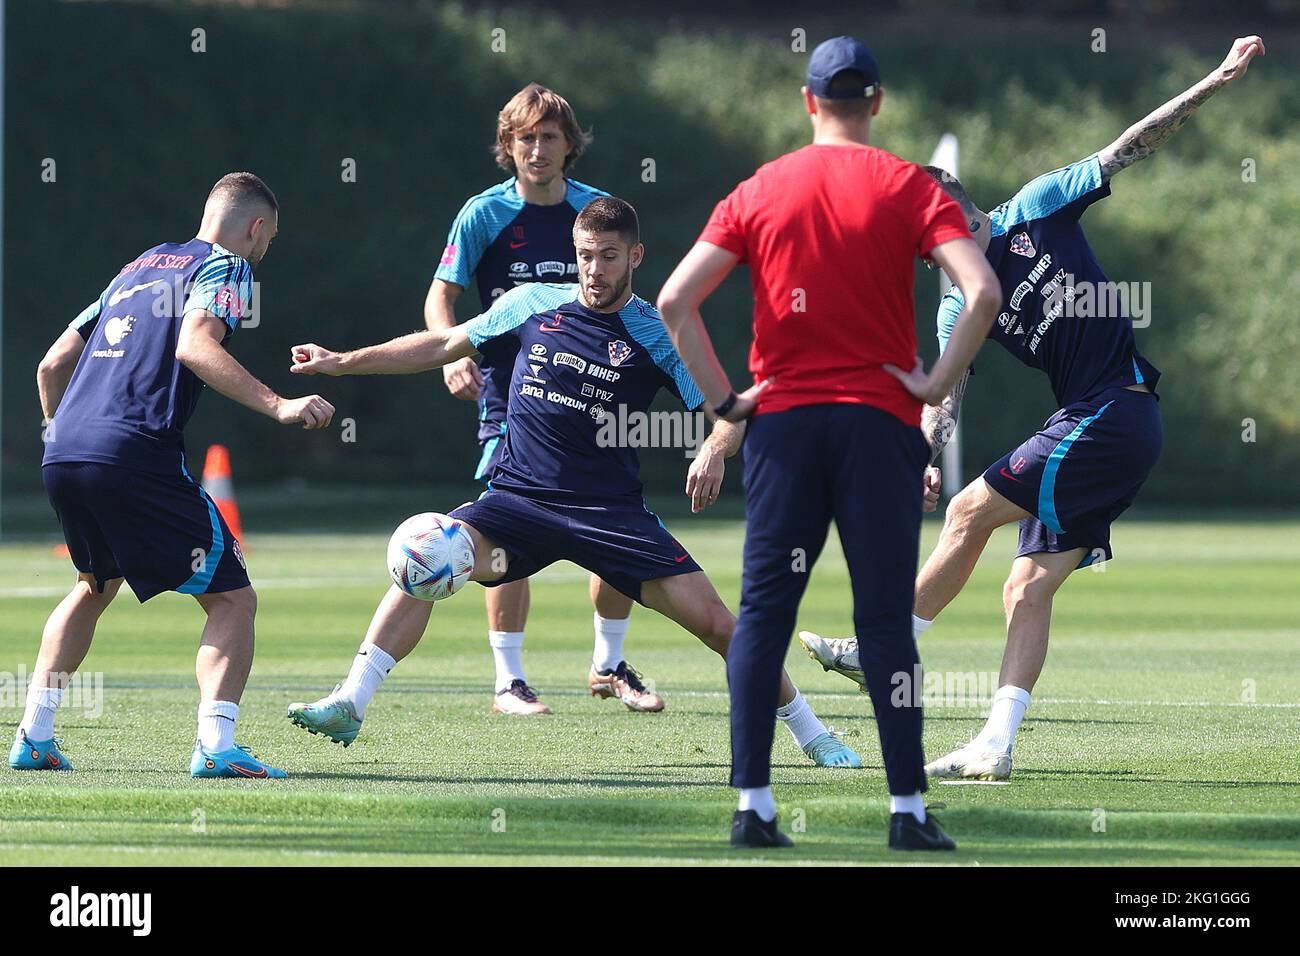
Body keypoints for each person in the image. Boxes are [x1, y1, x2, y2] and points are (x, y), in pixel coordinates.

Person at [799, 36, 1266, 782]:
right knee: (1027, 585)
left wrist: (1213, 78)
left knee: (968, 513)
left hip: (1114, 410)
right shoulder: (958, 305)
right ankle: (996, 744)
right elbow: (944, 398)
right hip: (1103, 424)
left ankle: (882, 647)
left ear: (953, 200)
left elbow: (1129, 146)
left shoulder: (1036, 209)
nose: (925, 253)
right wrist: (922, 455)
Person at [286, 197, 862, 771]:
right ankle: (351, 701)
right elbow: (441, 344)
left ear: (635, 256)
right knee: (428, 553)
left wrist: (712, 452)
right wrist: (342, 362)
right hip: (516, 505)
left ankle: (814, 735)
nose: (594, 270)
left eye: (609, 257)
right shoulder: (530, 304)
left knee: (719, 625)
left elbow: (729, 414)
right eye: (585, 256)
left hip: (609, 515)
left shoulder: (660, 332)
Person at [657, 36, 1000, 849]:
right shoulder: (910, 187)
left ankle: (753, 808)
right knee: (884, 621)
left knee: (766, 615)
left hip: (784, 428)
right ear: (875, 104)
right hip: (880, 426)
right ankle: (909, 813)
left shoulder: (764, 187)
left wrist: (727, 403)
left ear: (809, 103)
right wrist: (935, 382)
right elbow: (980, 290)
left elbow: (675, 299)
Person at [11, 172, 336, 779]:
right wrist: (281, 405)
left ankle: (34, 735)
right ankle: (216, 746)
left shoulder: (135, 268)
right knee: (233, 597)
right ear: (256, 228)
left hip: (66, 451)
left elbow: (51, 362)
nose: (266, 251)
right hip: (132, 450)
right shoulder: (229, 267)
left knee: (93, 585)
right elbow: (194, 346)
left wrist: (63, 432)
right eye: (270, 239)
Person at [426, 83, 651, 716]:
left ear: (569, 145)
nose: (537, 148)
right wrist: (455, 353)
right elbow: (441, 296)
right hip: (512, 396)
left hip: (597, 390)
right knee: (506, 522)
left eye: (549, 136)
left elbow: (623, 290)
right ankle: (510, 680)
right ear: (508, 145)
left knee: (617, 514)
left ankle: (609, 664)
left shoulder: (596, 210)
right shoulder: (483, 215)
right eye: (525, 137)